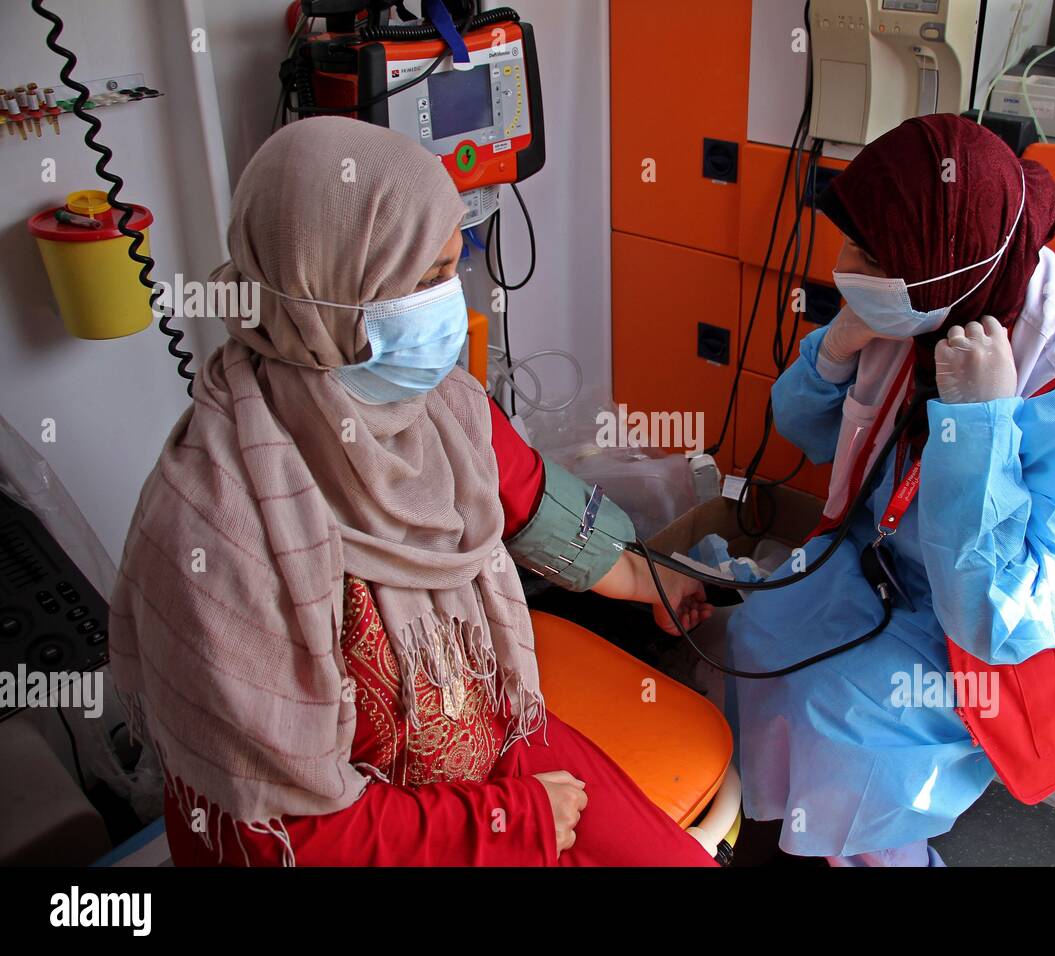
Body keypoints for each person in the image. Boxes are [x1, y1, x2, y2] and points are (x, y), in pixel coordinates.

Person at [109, 117, 715, 867]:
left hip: (485, 744)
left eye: (451, 271)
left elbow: (527, 499)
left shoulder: (438, 407)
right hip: (351, 833)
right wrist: (510, 824)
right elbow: (289, 837)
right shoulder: (214, 526)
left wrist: (653, 581)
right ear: (318, 288)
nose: (449, 312)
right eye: (423, 281)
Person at [725, 115, 1055, 867]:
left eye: (867, 255)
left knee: (843, 728)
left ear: (937, 269)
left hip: (1017, 629)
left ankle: (882, 849)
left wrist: (980, 427)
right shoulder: (941, 281)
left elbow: (1002, 622)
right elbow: (807, 433)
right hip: (892, 561)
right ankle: (792, 822)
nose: (847, 267)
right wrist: (834, 350)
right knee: (756, 639)